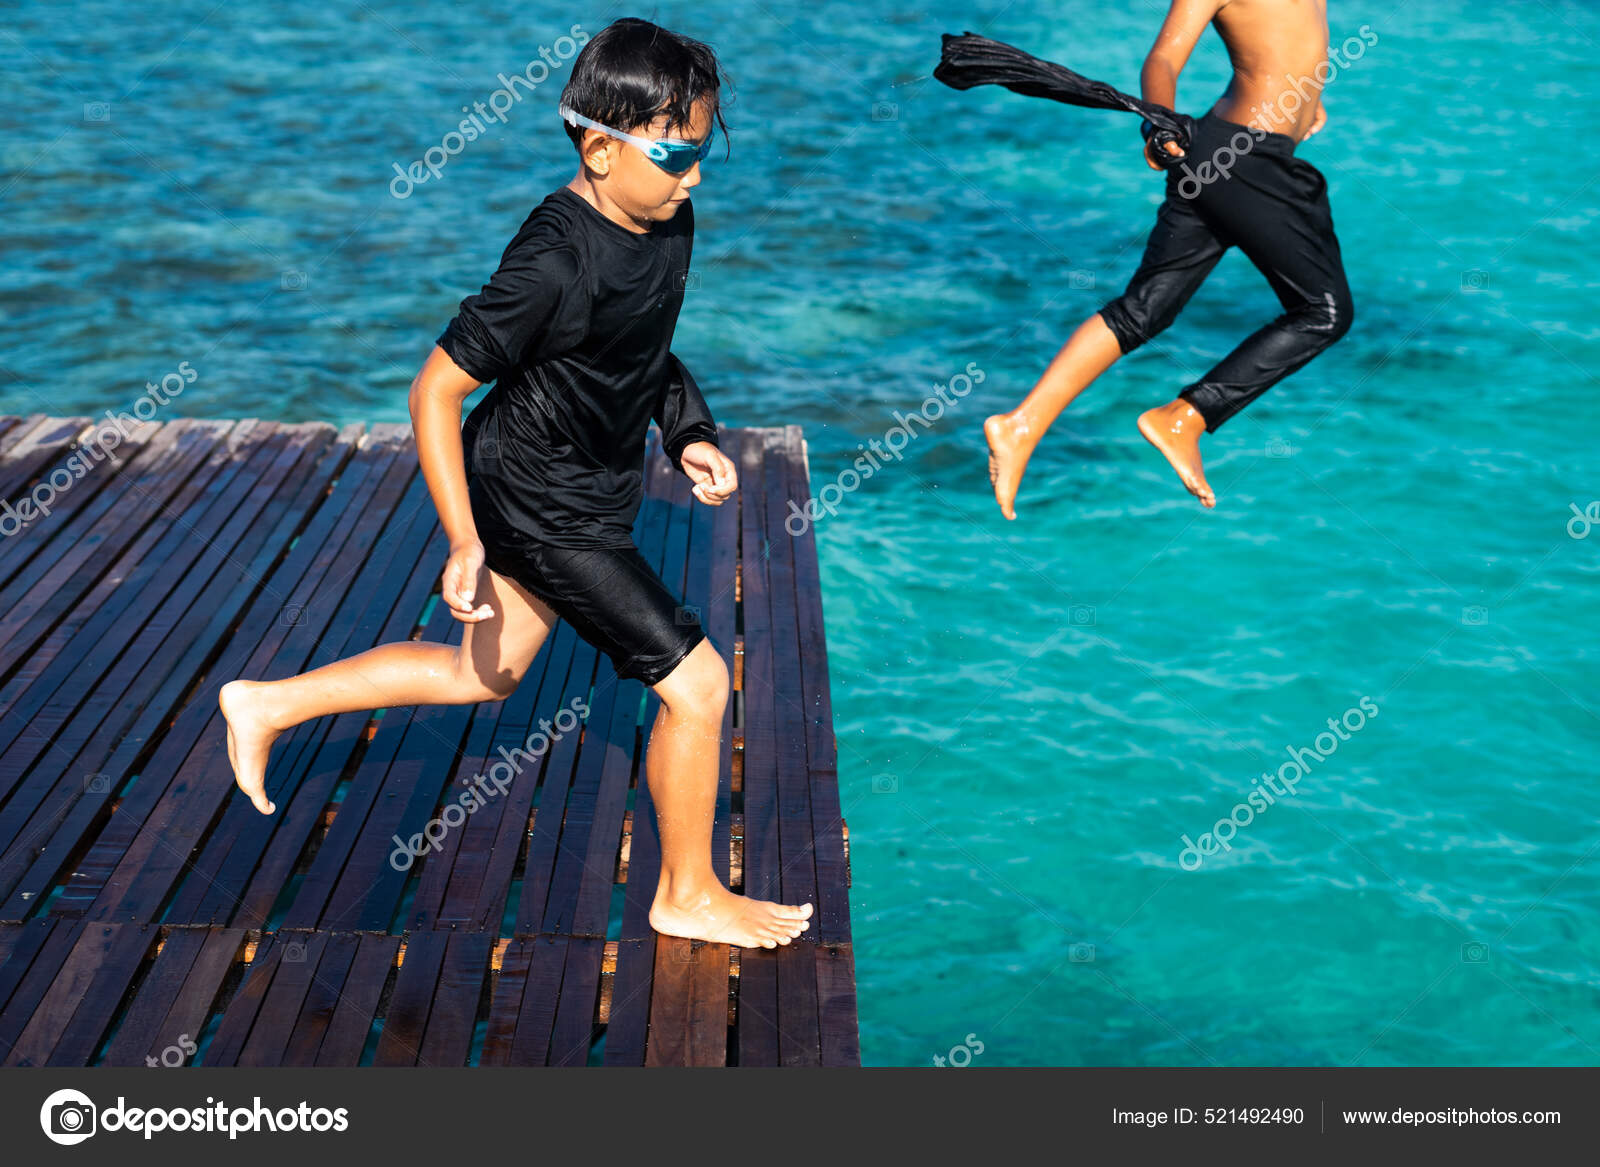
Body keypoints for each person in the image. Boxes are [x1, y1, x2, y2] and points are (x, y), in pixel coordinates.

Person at [219, 18, 812, 950]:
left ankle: (265, 702)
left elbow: (641, 346)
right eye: (677, 154)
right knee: (699, 685)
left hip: (588, 485)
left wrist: (686, 430)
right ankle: (685, 891)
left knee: (479, 675)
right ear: (601, 147)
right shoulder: (552, 259)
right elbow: (435, 389)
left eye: (704, 152)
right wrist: (463, 535)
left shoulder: (665, 217)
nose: (695, 176)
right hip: (532, 499)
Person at [984, 0, 1356, 513]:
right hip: (1242, 157)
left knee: (1145, 308)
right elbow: (1161, 60)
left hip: (1236, 156)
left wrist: (1307, 101)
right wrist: (1158, 125)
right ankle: (1186, 417)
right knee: (1324, 312)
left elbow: (1289, 46)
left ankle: (1021, 424)